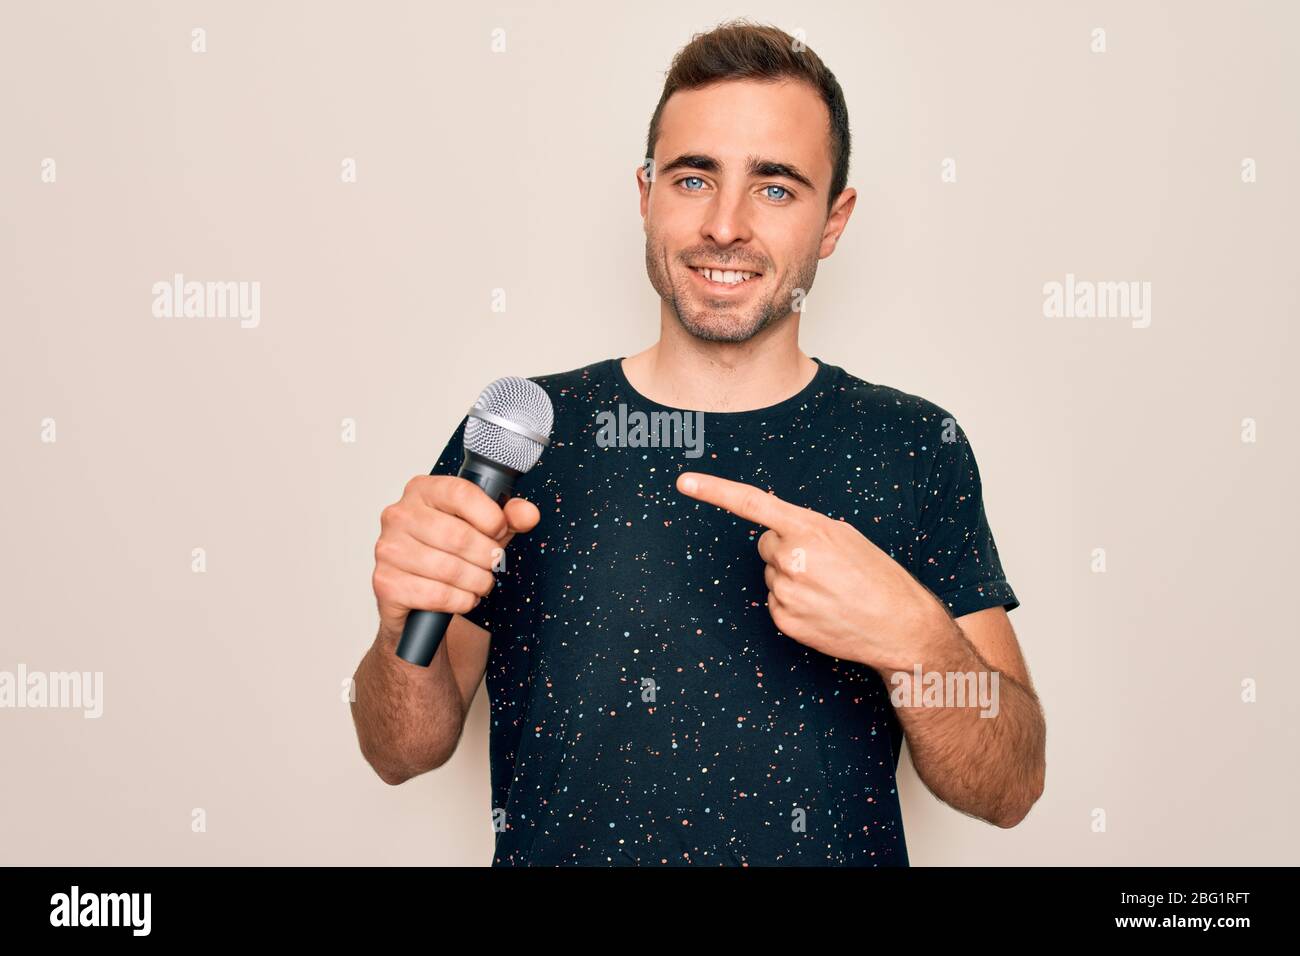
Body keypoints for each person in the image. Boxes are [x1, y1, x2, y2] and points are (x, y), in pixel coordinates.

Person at [350, 19, 1045, 866]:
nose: (725, 225)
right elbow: (402, 750)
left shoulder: (912, 444)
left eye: (777, 188)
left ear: (834, 219)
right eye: (693, 178)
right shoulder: (526, 432)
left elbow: (1010, 785)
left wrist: (912, 638)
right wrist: (397, 630)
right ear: (646, 196)